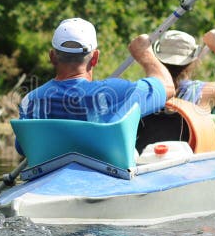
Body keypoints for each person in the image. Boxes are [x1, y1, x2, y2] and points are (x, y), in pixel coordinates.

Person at [16, 18, 175, 156]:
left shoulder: (30, 102)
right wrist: (143, 53)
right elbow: (168, 87)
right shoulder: (117, 93)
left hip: (47, 182)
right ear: (95, 58)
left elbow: (22, 148)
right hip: (104, 179)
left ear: (52, 57)